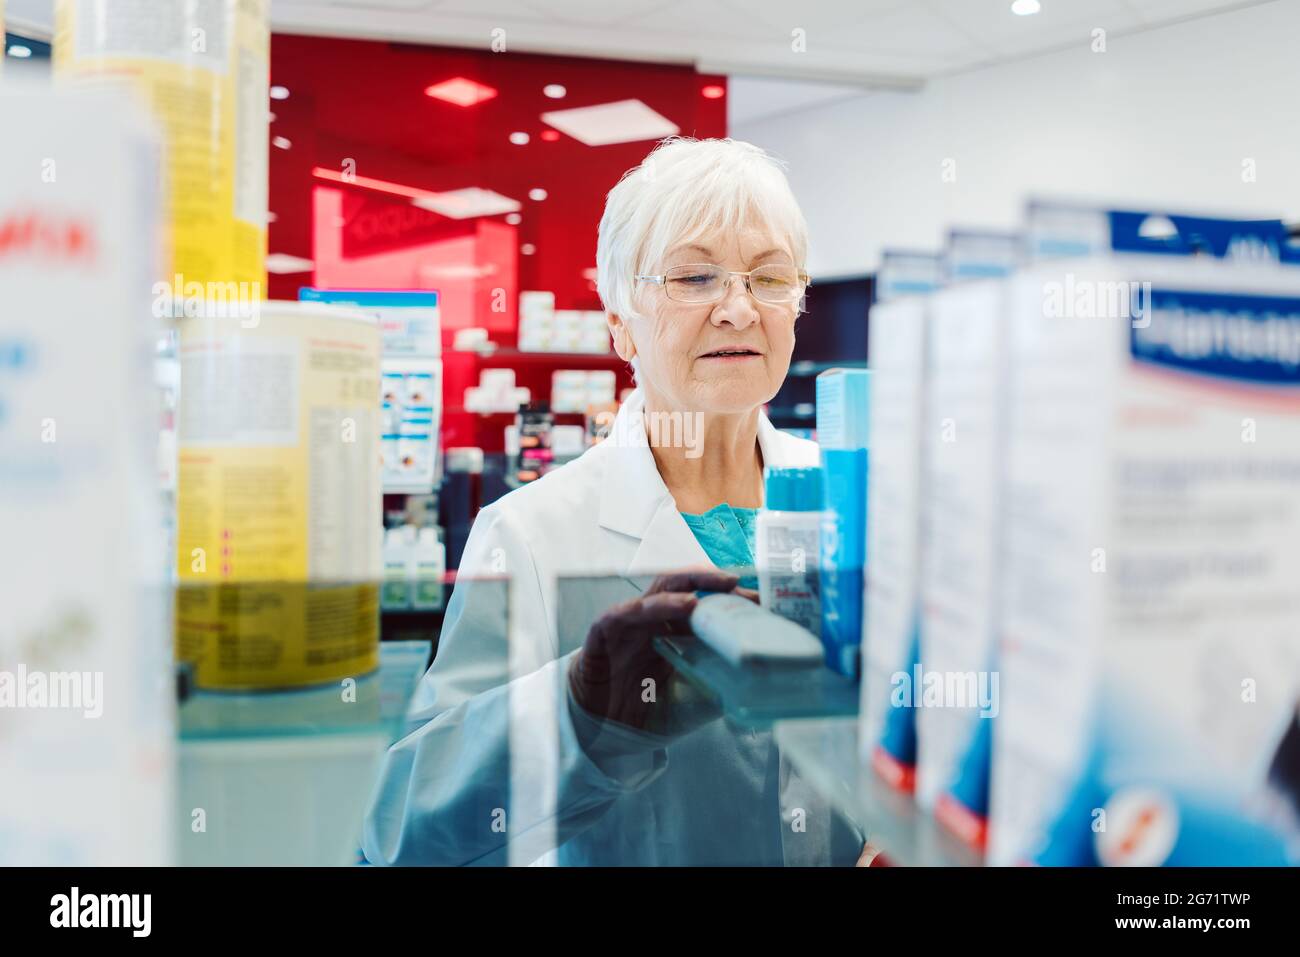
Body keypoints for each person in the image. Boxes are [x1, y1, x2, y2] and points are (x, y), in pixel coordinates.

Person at [362, 137, 867, 866]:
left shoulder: (861, 504)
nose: (737, 308)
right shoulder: (531, 535)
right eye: (694, 277)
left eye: (769, 277)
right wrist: (579, 712)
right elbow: (404, 830)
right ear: (619, 323)